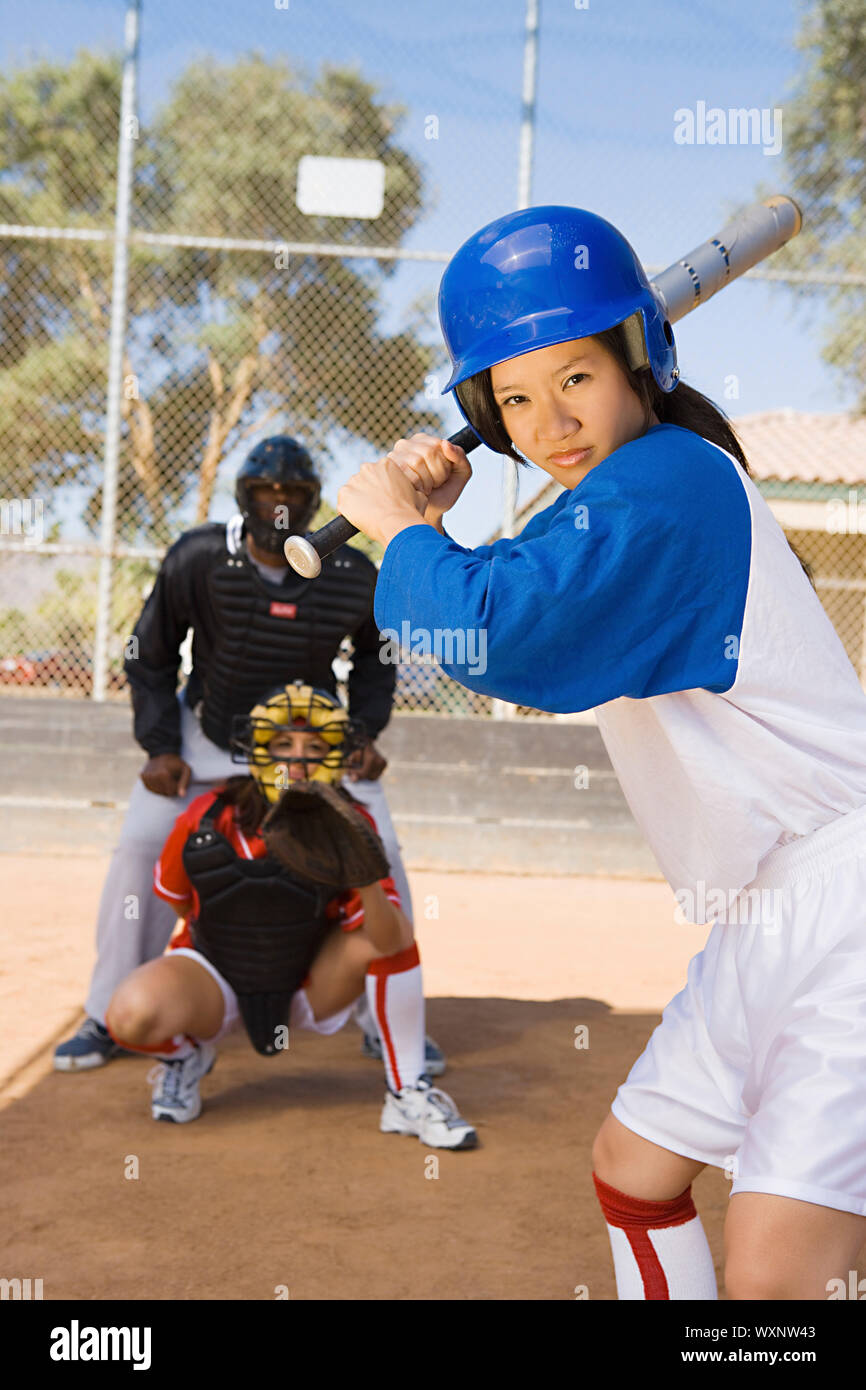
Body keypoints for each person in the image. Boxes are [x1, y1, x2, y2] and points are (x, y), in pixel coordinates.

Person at [333, 205, 866, 1300]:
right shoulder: (613, 499)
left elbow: (497, 630)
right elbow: (475, 615)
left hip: (846, 893)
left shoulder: (672, 476)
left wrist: (401, 530)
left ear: (638, 361)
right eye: (513, 398)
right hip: (770, 906)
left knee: (775, 1285)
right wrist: (435, 524)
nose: (546, 421)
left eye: (574, 378)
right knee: (634, 1171)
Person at [55, 436, 444, 1078]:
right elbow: (147, 655)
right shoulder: (200, 557)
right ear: (246, 497)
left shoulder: (348, 570)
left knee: (382, 856)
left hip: (309, 746)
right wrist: (159, 746)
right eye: (268, 492)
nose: (281, 504)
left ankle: (390, 1023)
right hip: (210, 733)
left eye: (294, 494)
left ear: (314, 502)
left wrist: (366, 733)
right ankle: (106, 1014)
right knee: (138, 848)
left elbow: (379, 656)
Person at [103, 682, 476, 1149]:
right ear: (257, 750)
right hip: (217, 978)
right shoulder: (205, 816)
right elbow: (179, 903)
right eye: (283, 744)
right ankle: (185, 1059)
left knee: (393, 938)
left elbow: (390, 939)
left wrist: (363, 875)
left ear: (337, 755)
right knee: (129, 1014)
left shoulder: (356, 822)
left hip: (310, 982)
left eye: (315, 747)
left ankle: (407, 1093)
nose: (297, 759)